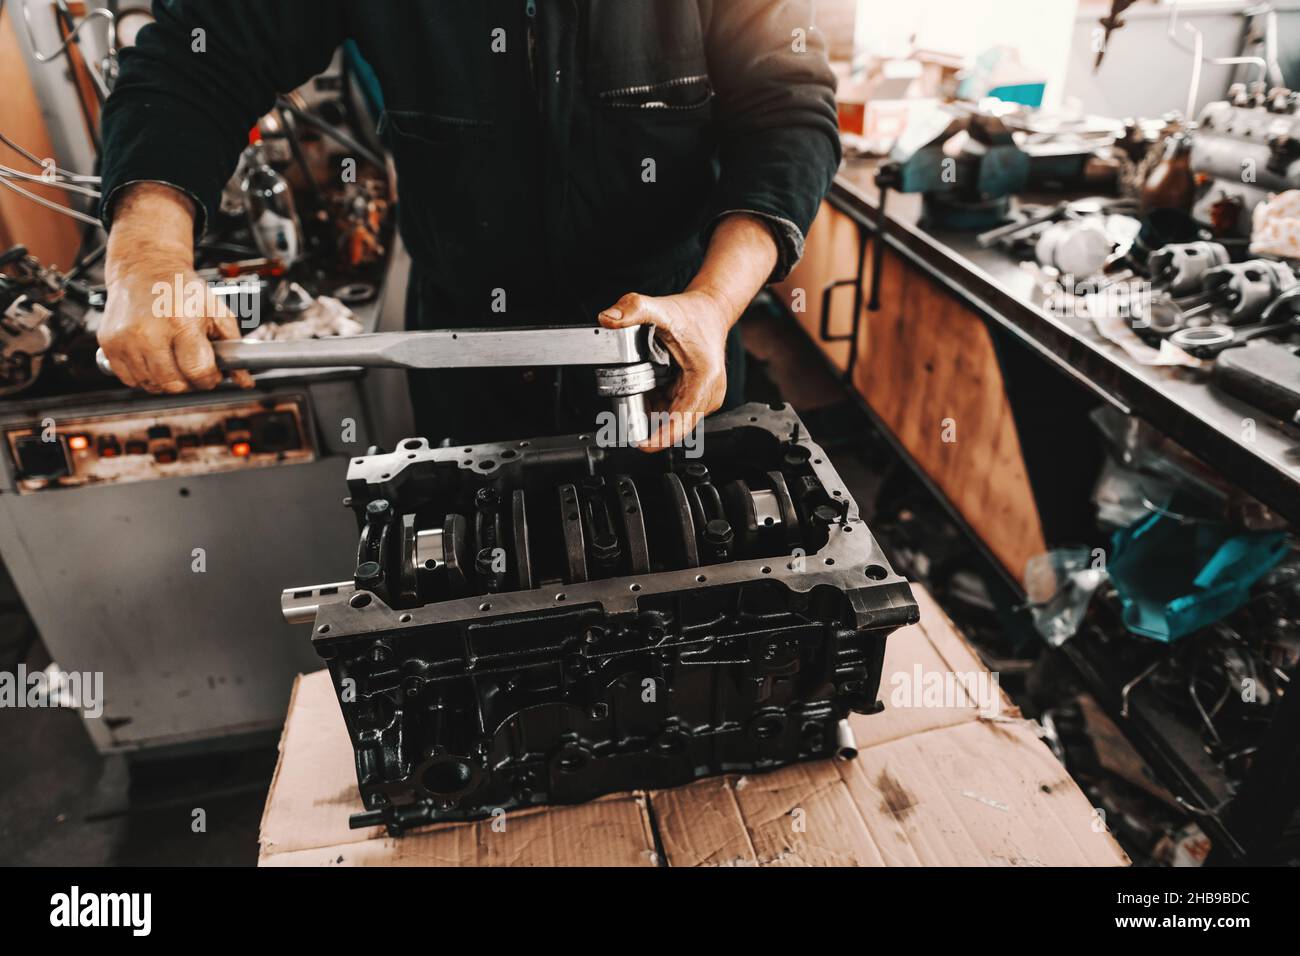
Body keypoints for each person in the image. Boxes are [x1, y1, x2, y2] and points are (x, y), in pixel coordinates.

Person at [96, 0, 840, 449]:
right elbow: (198, 60)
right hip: (469, 358)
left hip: (678, 339)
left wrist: (713, 302)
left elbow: (786, 112)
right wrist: (147, 258)